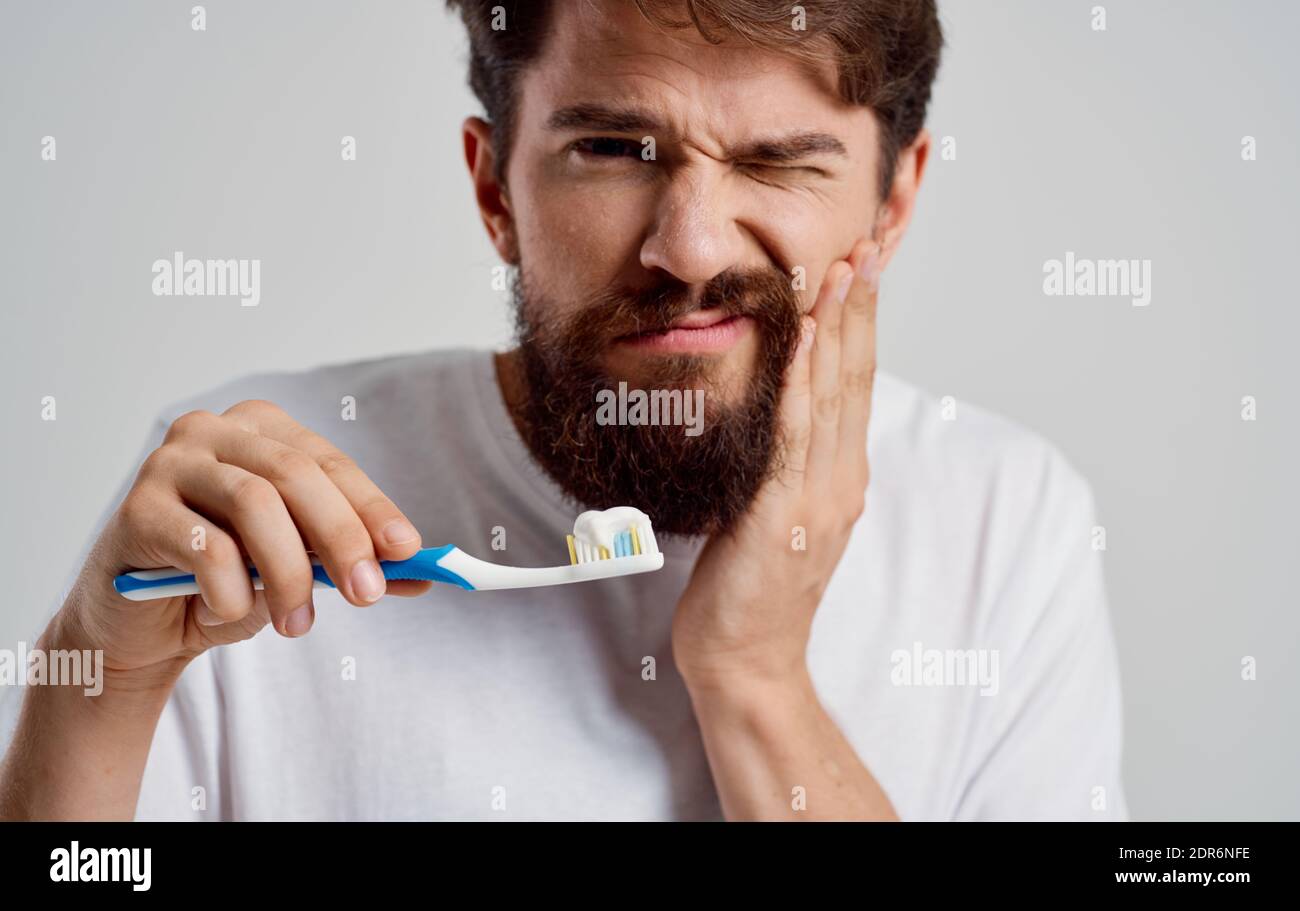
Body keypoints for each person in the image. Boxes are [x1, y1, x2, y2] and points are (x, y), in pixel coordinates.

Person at [0, 0, 1125, 821]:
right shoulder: (249, 507)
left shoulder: (1005, 519)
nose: (688, 247)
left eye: (779, 164)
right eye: (612, 150)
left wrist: (752, 672)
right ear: (495, 190)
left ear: (893, 203)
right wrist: (99, 675)